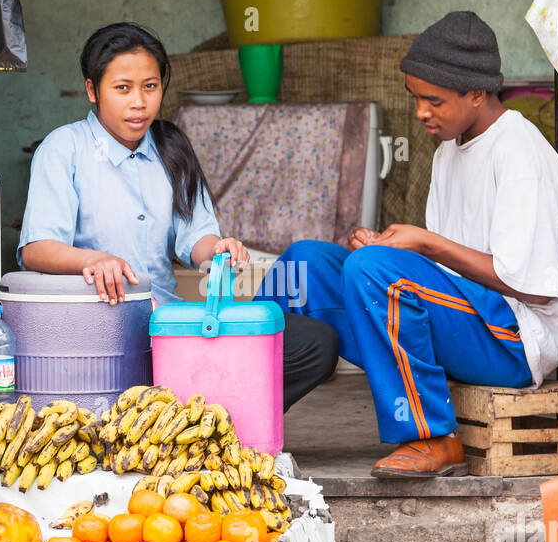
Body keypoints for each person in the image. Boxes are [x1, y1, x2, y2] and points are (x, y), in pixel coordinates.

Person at [255, 11, 558, 477]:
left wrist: (421, 245)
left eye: (434, 101)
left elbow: (533, 287)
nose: (421, 112)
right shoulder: (450, 148)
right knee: (305, 265)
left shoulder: (519, 153)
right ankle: (240, 418)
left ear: (477, 94)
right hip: (462, 315)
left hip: (512, 340)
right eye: (416, 98)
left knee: (371, 271)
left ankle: (432, 438)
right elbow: (434, 271)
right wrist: (384, 247)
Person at [18, 22, 339, 410]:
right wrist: (95, 260)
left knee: (315, 344)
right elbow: (36, 249)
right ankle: (195, 413)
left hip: (171, 331)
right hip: (100, 336)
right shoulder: (64, 148)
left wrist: (218, 249)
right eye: (123, 88)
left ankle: (219, 426)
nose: (139, 102)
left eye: (150, 86)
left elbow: (197, 240)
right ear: (92, 90)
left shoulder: (171, 147)